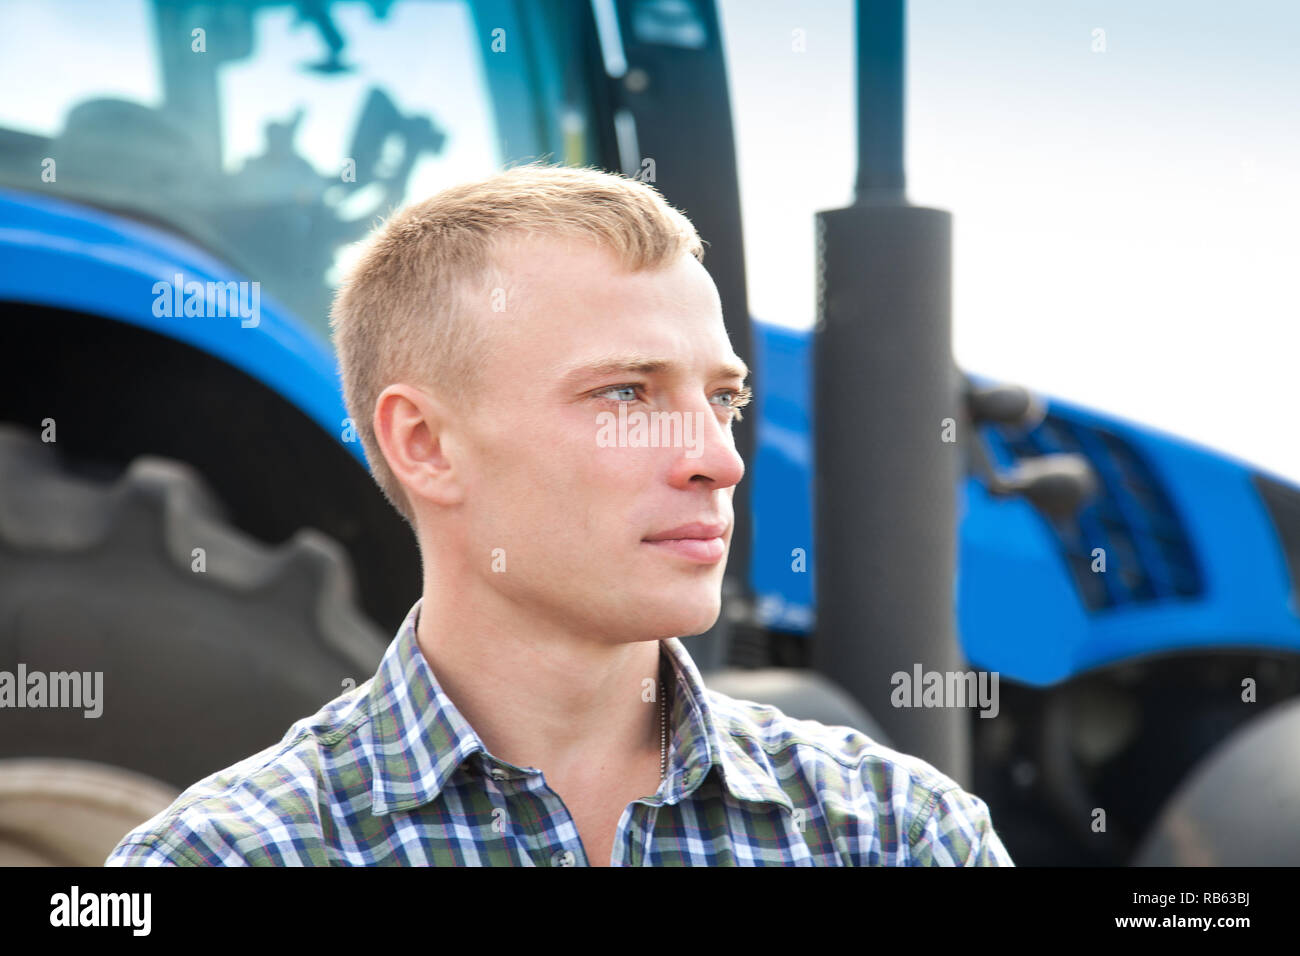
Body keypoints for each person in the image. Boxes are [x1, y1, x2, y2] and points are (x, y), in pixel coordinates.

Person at [106, 162, 1013, 866]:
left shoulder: (896, 832)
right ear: (425, 443)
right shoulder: (230, 855)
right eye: (626, 393)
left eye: (724, 399)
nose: (718, 459)